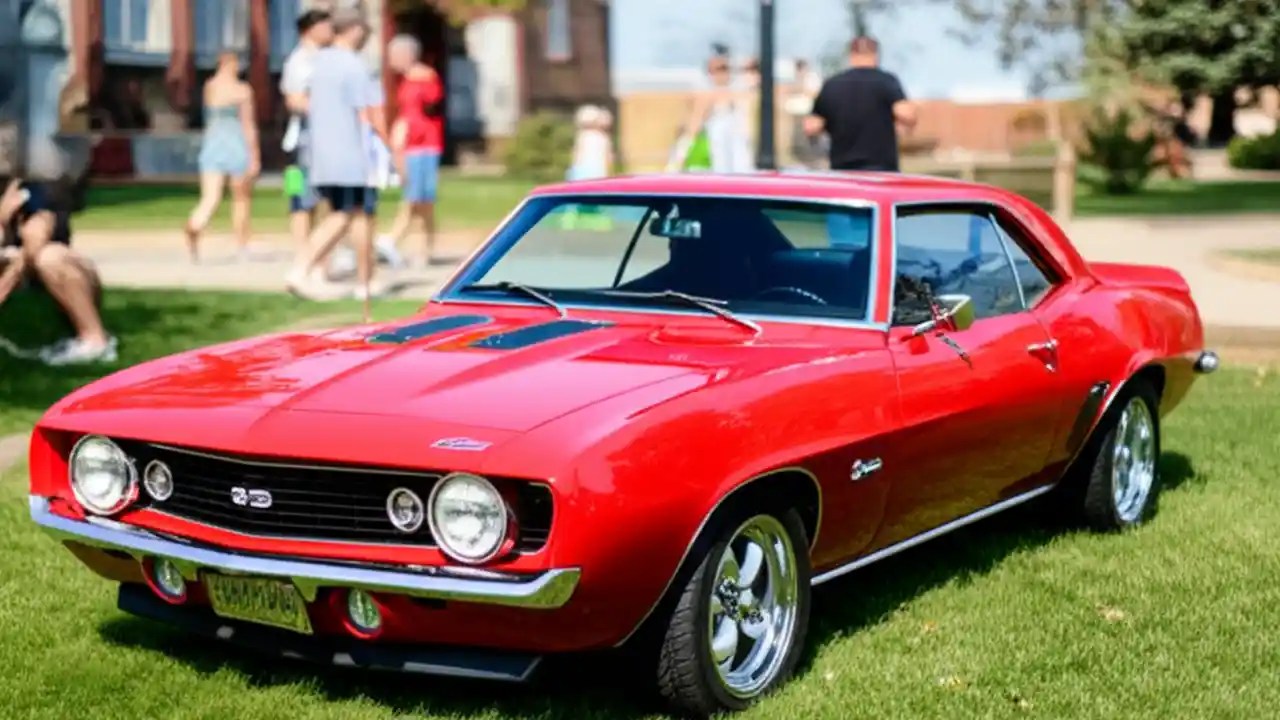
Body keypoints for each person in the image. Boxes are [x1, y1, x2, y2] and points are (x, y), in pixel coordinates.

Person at [287, 8, 392, 301]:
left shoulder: (317, 63)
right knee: (345, 215)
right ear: (355, 30)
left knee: (357, 214)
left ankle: (366, 279)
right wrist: (388, 150)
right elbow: (369, 113)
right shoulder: (355, 66)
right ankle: (301, 268)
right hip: (352, 154)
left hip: (323, 153)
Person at [0, 176, 114, 365]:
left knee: (50, 257)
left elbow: (35, 240)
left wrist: (7, 282)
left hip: (57, 271)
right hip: (20, 275)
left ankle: (94, 340)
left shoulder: (32, 191)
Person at [184, 51, 260, 263]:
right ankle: (242, 244)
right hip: (236, 145)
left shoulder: (210, 87)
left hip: (213, 144)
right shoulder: (242, 90)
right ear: (230, 64)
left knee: (210, 197)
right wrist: (255, 155)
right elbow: (248, 124)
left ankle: (196, 224)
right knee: (241, 199)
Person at [805, 36, 917, 172]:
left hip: (842, 168)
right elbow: (906, 114)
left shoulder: (832, 84)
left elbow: (811, 126)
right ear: (876, 55)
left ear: (851, 55)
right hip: (881, 168)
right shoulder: (886, 81)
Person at [279, 9, 334, 283]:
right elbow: (294, 99)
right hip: (300, 143)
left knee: (328, 200)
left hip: (327, 140)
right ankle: (305, 258)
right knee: (300, 199)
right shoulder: (299, 61)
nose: (328, 30)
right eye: (323, 25)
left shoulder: (329, 57)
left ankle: (322, 259)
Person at [380, 35, 444, 268]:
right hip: (410, 144)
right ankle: (424, 249)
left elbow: (431, 107)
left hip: (426, 143)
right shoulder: (405, 81)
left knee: (418, 197)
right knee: (420, 199)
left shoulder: (426, 78)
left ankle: (392, 239)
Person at [666, 54, 754, 173]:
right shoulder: (706, 95)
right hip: (717, 151)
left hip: (739, 151)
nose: (723, 74)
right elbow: (694, 125)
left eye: (726, 69)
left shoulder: (739, 93)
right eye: (718, 70)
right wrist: (681, 154)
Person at [567, 104, 614, 180]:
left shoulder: (582, 136)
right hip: (596, 171)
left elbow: (576, 154)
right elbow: (608, 157)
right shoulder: (602, 137)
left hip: (584, 170)